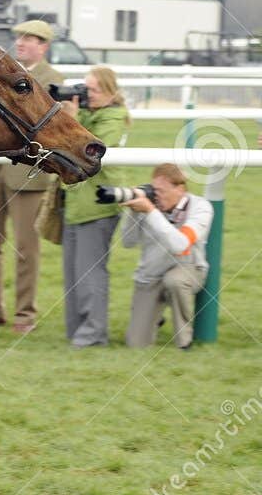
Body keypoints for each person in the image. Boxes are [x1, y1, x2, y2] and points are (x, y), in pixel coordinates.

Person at [0, 18, 61, 333]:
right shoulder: (1, 74)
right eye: (20, 37)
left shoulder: (52, 80)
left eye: (30, 38)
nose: (22, 42)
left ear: (44, 46)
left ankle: (25, 315)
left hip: (28, 176)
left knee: (26, 248)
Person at [59, 66, 129, 348]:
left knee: (91, 274)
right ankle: (77, 331)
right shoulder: (89, 113)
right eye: (84, 88)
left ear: (111, 92)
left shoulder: (114, 116)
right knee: (73, 275)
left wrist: (73, 119)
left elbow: (93, 150)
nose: (86, 95)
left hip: (98, 205)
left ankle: (94, 334)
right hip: (76, 204)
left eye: (93, 90)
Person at [120, 163, 212, 350]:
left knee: (175, 281)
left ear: (180, 189)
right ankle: (156, 316)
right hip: (151, 275)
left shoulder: (200, 207)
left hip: (188, 270)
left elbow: (180, 245)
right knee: (136, 344)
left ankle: (184, 341)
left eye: (161, 191)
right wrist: (132, 212)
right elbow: (127, 242)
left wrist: (151, 212)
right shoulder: (150, 205)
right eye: (154, 190)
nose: (155, 195)